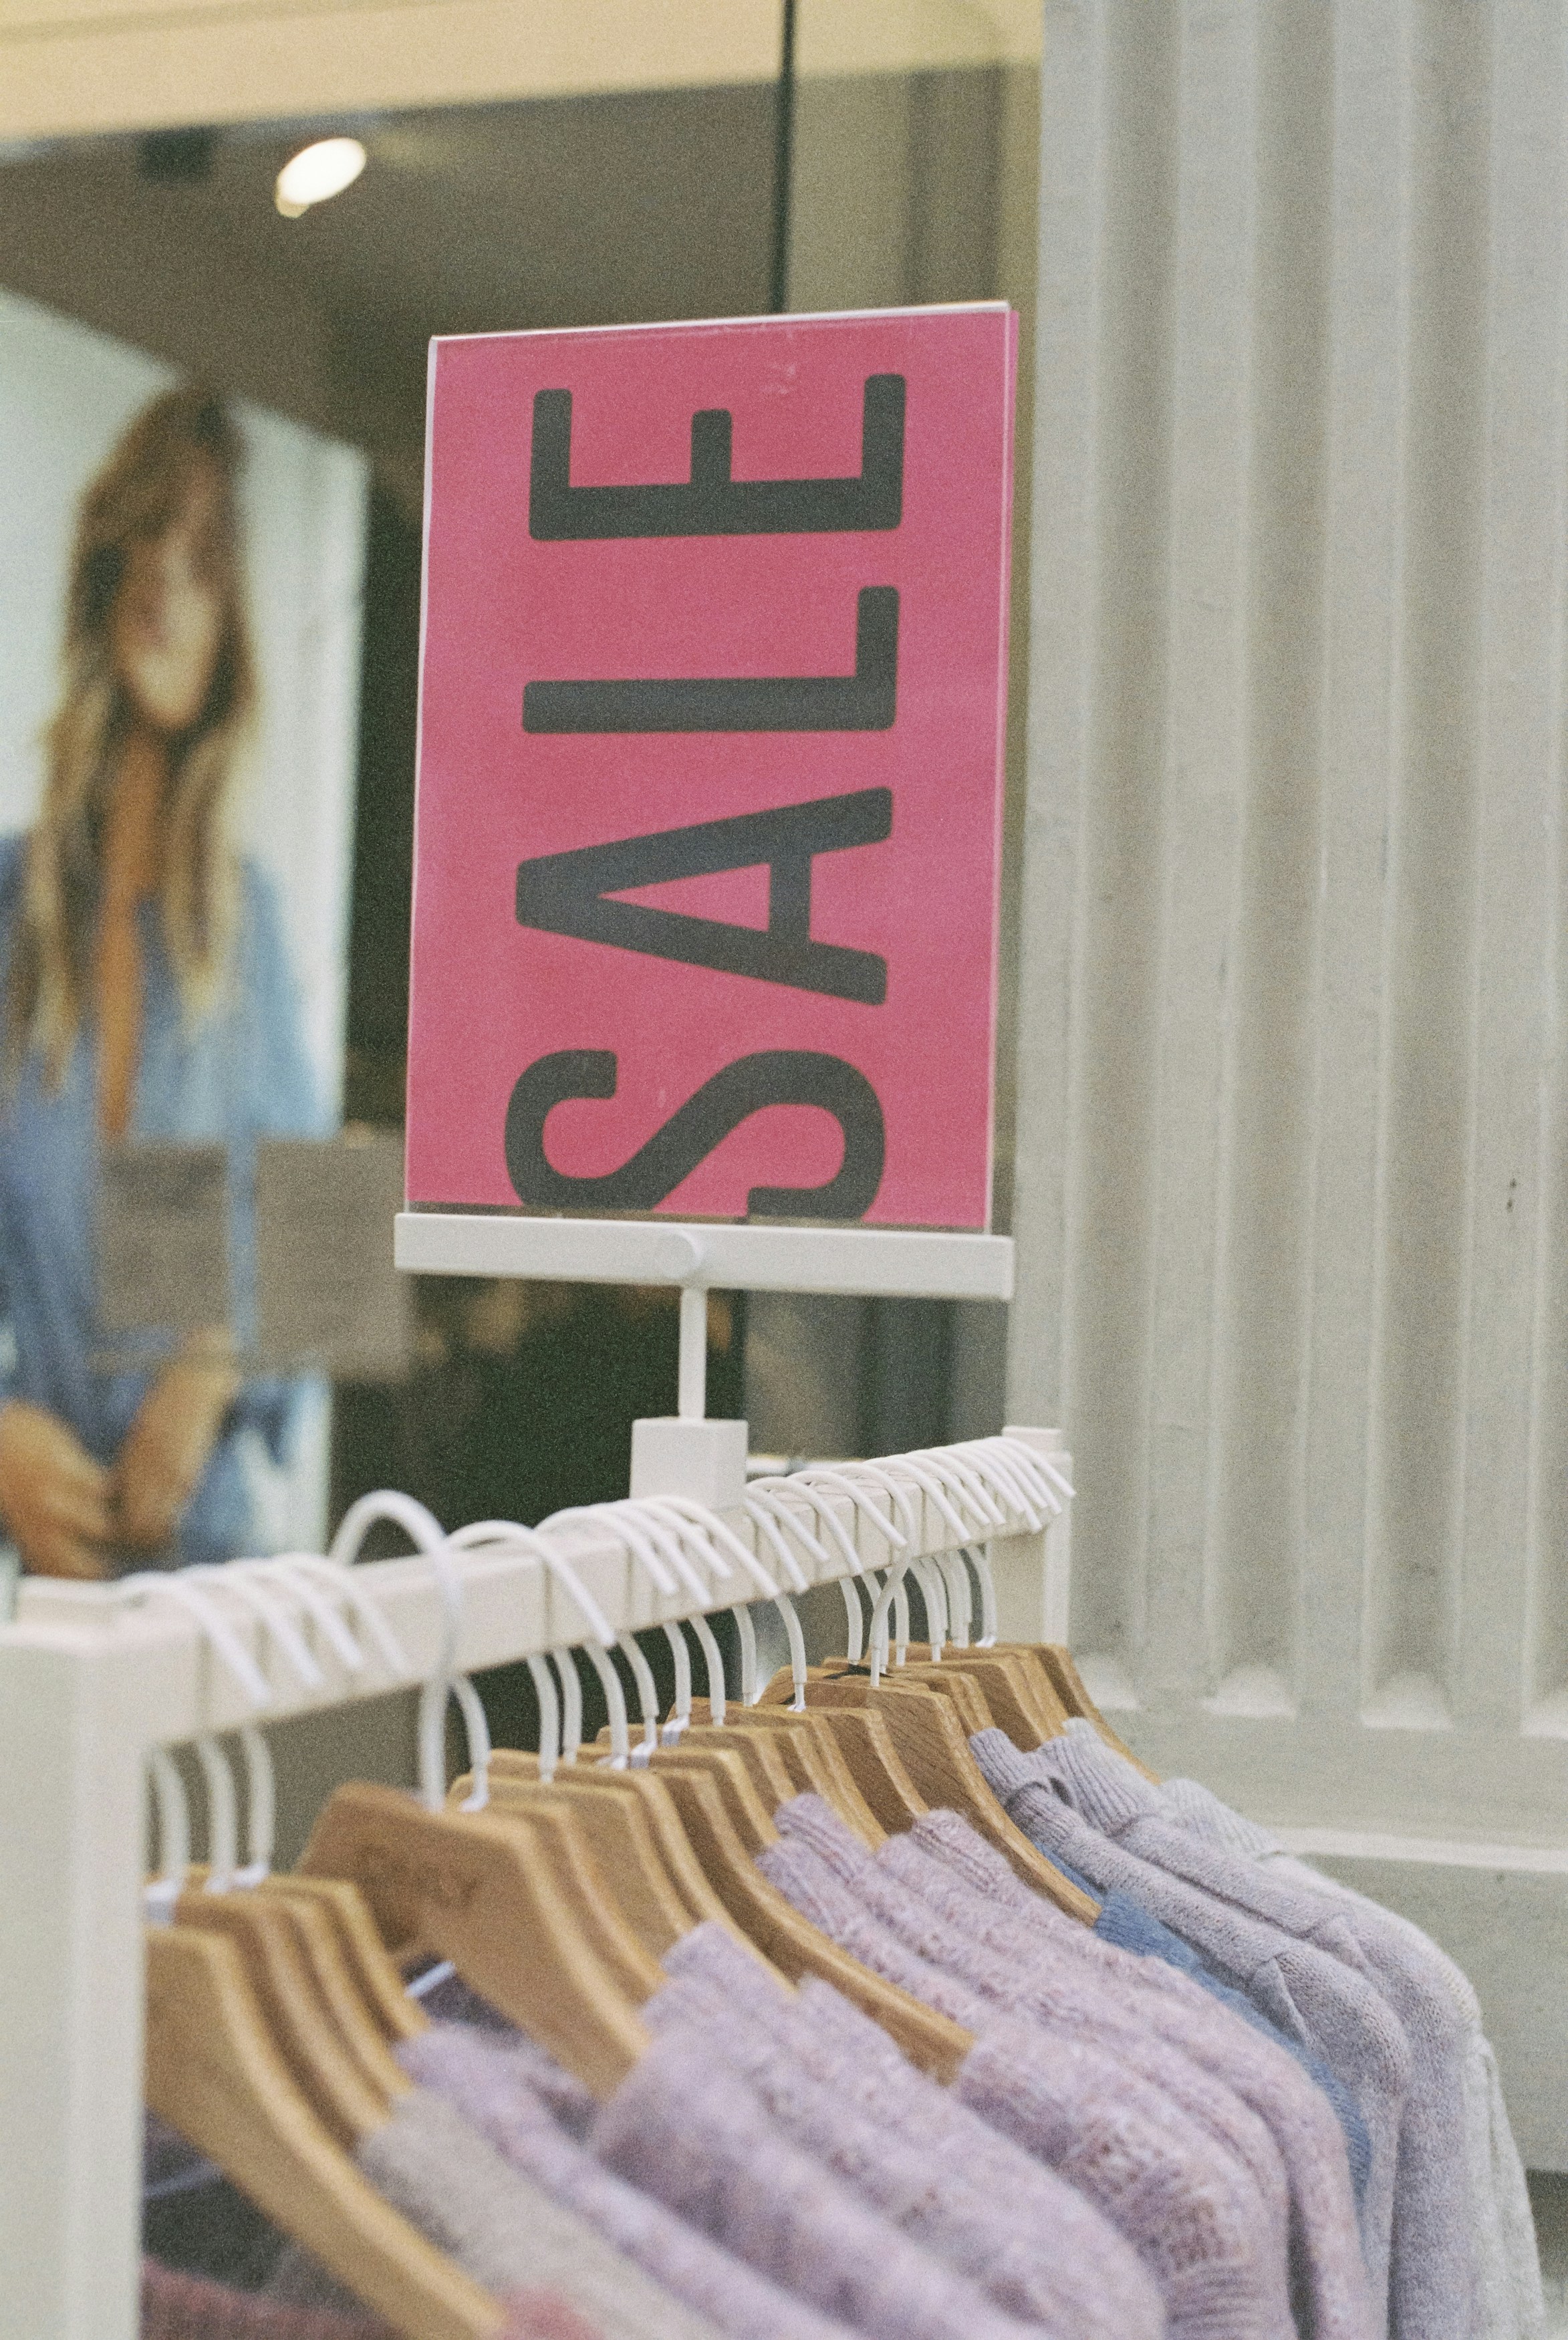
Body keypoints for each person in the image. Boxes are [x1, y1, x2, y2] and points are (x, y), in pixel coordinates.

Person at [0, 386, 321, 1577]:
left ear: (231, 618)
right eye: (147, 543)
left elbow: (327, 1251)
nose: (167, 588)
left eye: (204, 560)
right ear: (103, 576)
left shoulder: (248, 927)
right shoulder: (10, 911)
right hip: (31, 1594)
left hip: (212, 1588)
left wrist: (209, 1366)